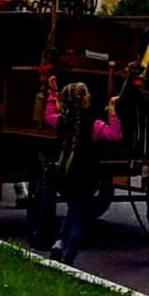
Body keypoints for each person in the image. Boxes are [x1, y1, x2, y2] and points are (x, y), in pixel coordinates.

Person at [40, 79, 121, 265]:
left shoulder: (62, 121)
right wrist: (112, 112)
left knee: (71, 210)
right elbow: (115, 135)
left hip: (67, 174)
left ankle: (59, 243)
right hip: (86, 176)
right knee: (79, 220)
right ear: (84, 99)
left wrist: (53, 94)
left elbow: (48, 115)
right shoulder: (93, 125)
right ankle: (68, 259)